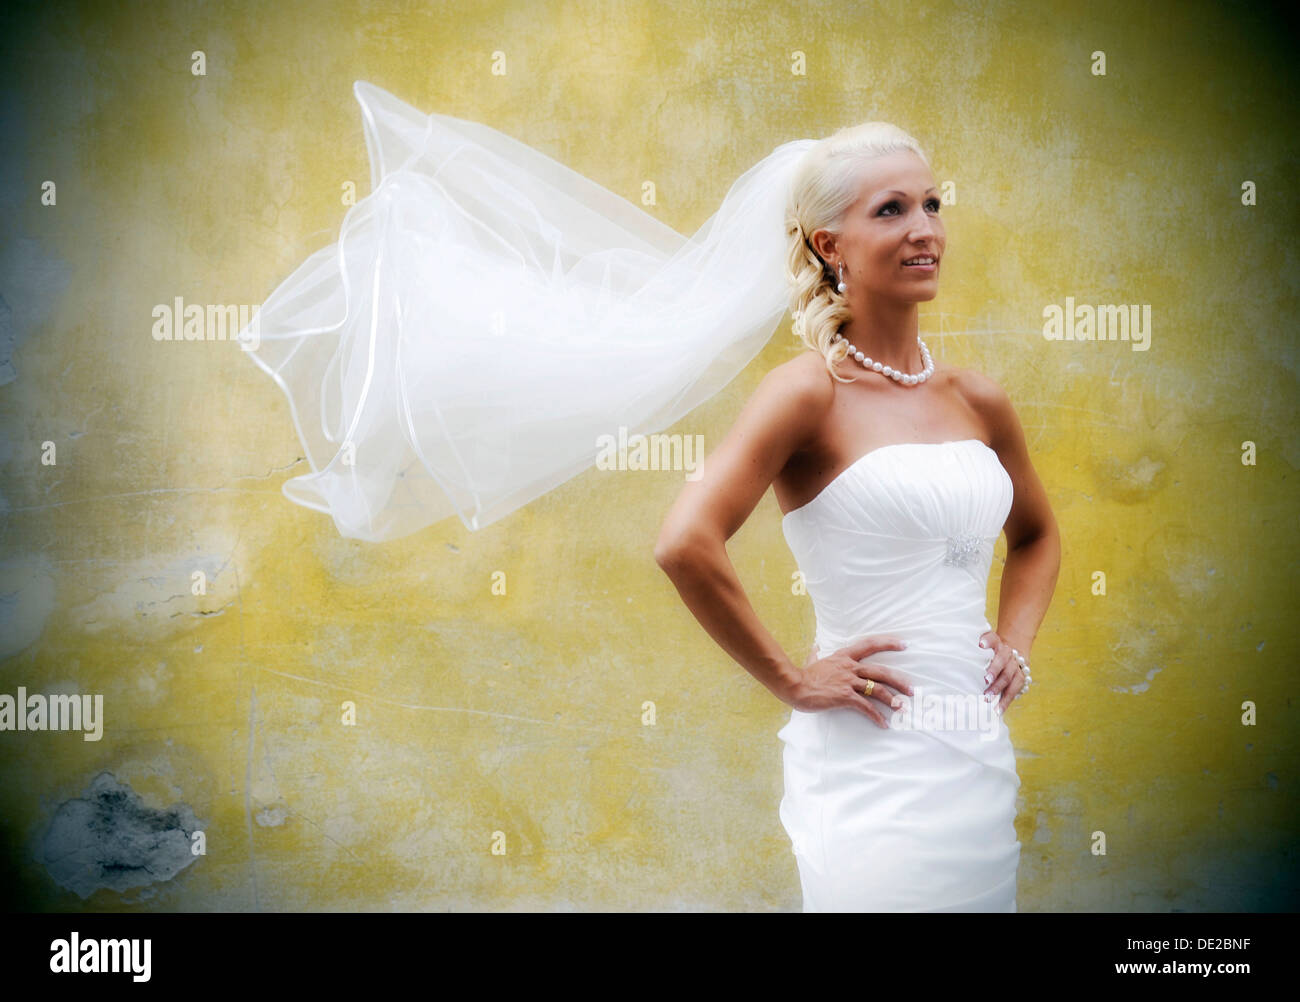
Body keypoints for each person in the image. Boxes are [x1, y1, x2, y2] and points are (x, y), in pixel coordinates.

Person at [653, 122, 1061, 911]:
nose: (924, 230)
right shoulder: (808, 392)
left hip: (975, 752)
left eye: (933, 205)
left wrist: (1017, 644)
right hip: (870, 762)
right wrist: (793, 681)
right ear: (828, 245)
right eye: (891, 210)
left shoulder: (977, 400)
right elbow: (684, 543)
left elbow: (1037, 536)